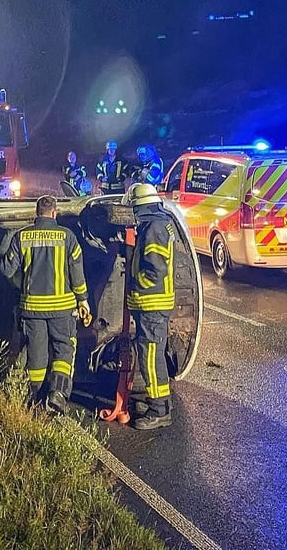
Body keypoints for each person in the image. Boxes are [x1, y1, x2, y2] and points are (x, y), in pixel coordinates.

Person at [0, 195, 92, 414]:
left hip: (32, 308)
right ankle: (57, 396)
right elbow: (77, 273)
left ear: (36, 213)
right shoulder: (67, 237)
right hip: (62, 309)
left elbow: (6, 271)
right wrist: (83, 301)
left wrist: (21, 284)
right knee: (63, 350)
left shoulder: (21, 237)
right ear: (54, 212)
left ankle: (35, 400)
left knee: (37, 354)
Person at [123, 183, 177, 430]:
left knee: (151, 357)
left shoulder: (154, 228)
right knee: (153, 355)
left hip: (152, 303)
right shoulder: (159, 223)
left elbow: (155, 270)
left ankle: (159, 411)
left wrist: (136, 285)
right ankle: (160, 403)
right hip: (155, 304)